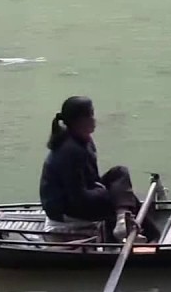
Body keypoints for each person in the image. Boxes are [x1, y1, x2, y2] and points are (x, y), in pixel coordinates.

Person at [39, 96, 161, 243]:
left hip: (84, 195)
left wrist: (103, 191)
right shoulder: (69, 151)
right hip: (66, 208)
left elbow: (92, 180)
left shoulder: (85, 141)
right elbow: (76, 197)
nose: (94, 120)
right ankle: (144, 235)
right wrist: (105, 193)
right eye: (90, 115)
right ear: (78, 121)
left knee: (120, 173)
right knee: (120, 199)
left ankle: (125, 221)